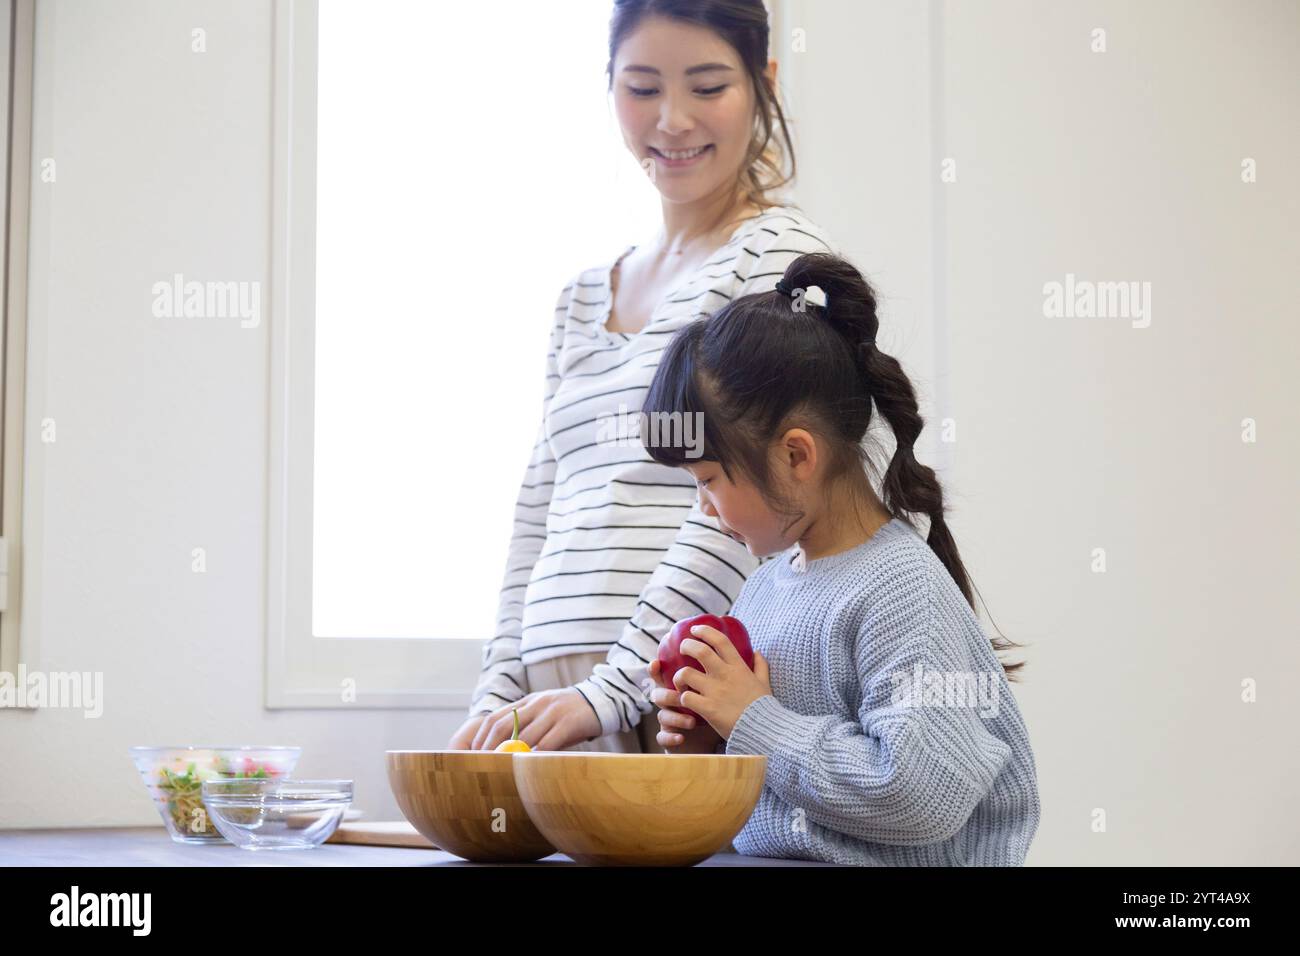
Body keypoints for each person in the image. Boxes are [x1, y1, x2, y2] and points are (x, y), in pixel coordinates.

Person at [451, 0, 838, 752]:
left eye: (706, 85)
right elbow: (541, 502)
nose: (672, 120)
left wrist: (616, 687)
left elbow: (752, 502)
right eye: (641, 86)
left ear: (764, 84)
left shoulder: (780, 260)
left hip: (680, 689)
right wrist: (500, 684)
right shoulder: (582, 296)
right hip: (555, 694)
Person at [641, 250, 1041, 865]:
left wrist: (753, 719)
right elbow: (789, 783)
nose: (703, 508)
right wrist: (718, 741)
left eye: (710, 479)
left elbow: (920, 795)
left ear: (797, 456)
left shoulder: (901, 589)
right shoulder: (768, 586)